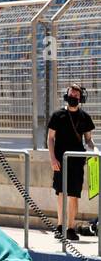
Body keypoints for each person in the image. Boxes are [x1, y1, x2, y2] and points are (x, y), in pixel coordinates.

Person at [46, 82, 95, 242]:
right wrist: (52, 158)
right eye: (71, 94)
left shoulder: (85, 117)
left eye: (76, 95)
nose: (74, 97)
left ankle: (70, 228)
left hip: (77, 161)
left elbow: (88, 139)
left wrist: (95, 149)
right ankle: (60, 226)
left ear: (81, 98)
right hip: (60, 160)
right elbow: (50, 138)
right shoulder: (57, 115)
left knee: (74, 195)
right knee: (61, 194)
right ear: (66, 95)